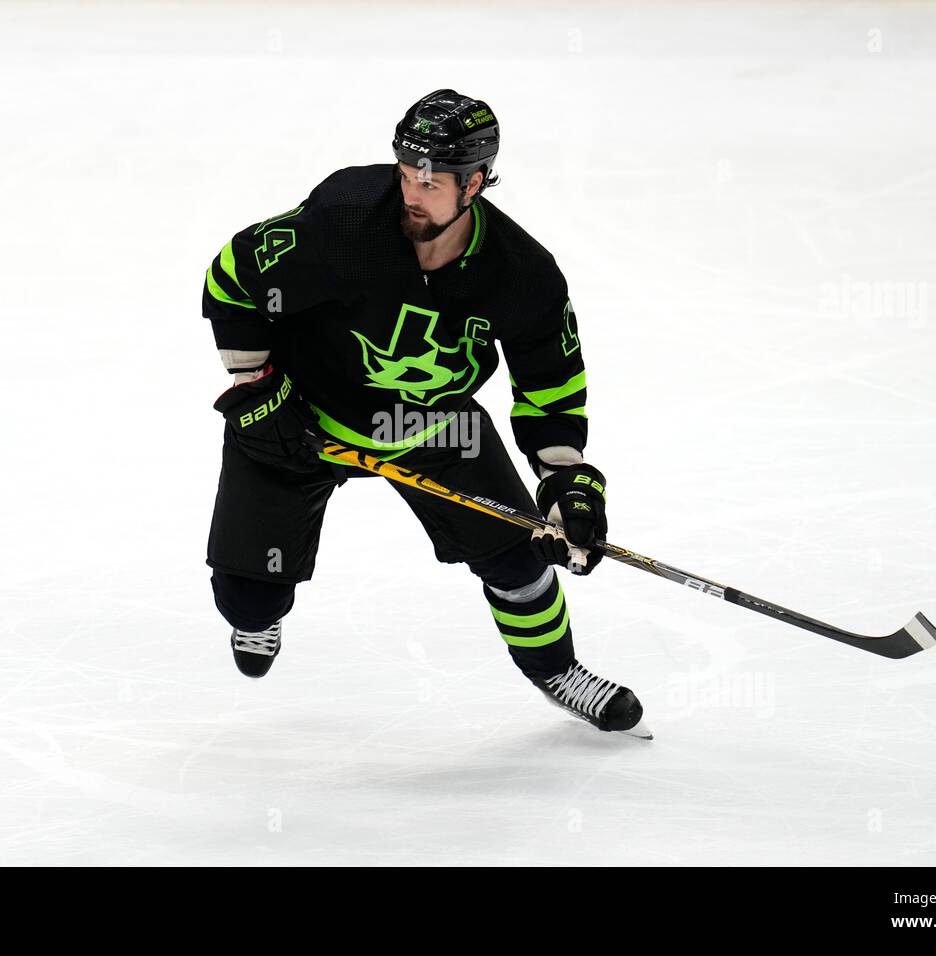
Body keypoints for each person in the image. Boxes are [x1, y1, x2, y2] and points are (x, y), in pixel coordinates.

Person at [201, 89, 642, 733]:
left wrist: (566, 480)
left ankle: (555, 669)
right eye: (407, 172)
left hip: (428, 426)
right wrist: (254, 389)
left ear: (477, 182)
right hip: (302, 415)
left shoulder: (523, 274)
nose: (413, 190)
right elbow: (233, 278)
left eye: (432, 181)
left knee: (520, 558)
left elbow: (549, 382)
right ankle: (257, 615)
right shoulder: (345, 217)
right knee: (248, 594)